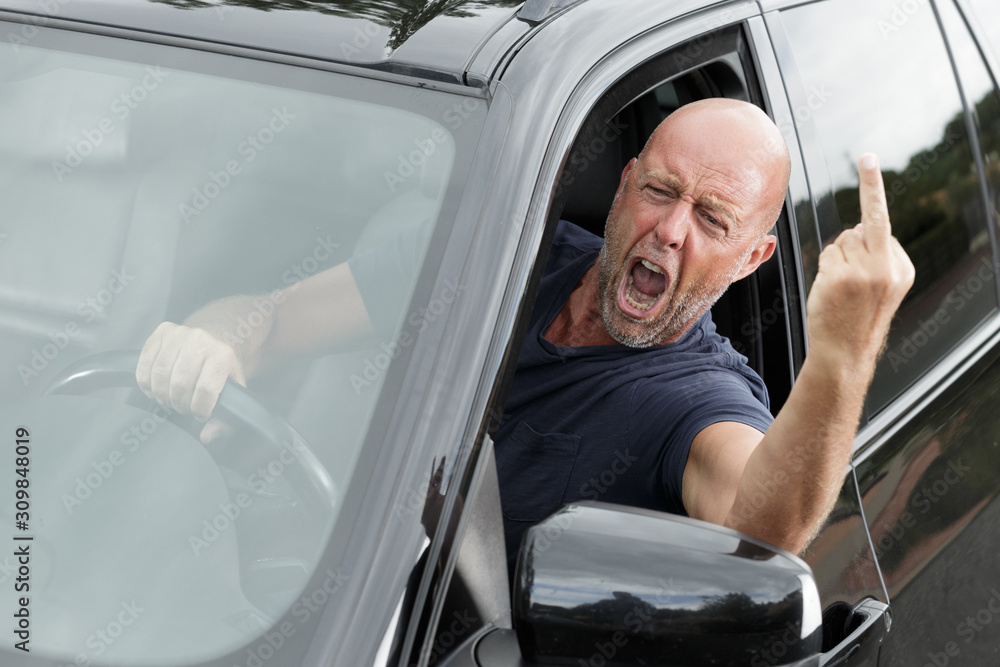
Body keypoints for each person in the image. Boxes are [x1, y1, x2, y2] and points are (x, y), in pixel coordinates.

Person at [135, 98, 915, 575]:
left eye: (712, 219)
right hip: (306, 595)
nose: (671, 230)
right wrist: (209, 346)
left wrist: (844, 356)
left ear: (753, 258)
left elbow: (759, 525)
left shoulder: (697, 397)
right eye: (660, 191)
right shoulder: (501, 257)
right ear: (624, 184)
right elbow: (269, 320)